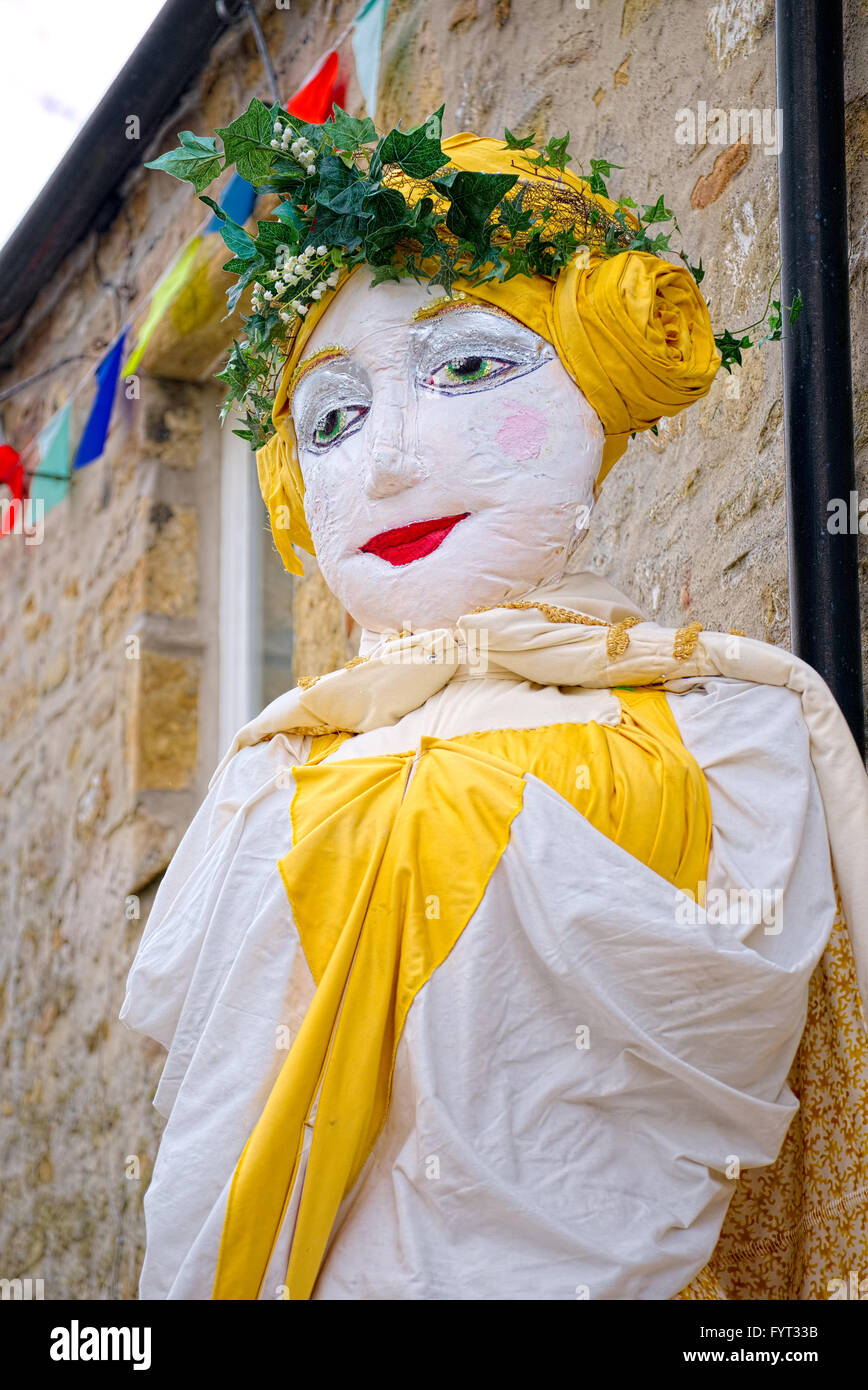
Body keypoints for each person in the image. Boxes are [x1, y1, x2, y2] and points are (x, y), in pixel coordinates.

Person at [122, 132, 868, 1301]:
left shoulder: (730, 731)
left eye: (468, 369)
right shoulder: (266, 769)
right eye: (331, 419)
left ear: (597, 371)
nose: (386, 465)